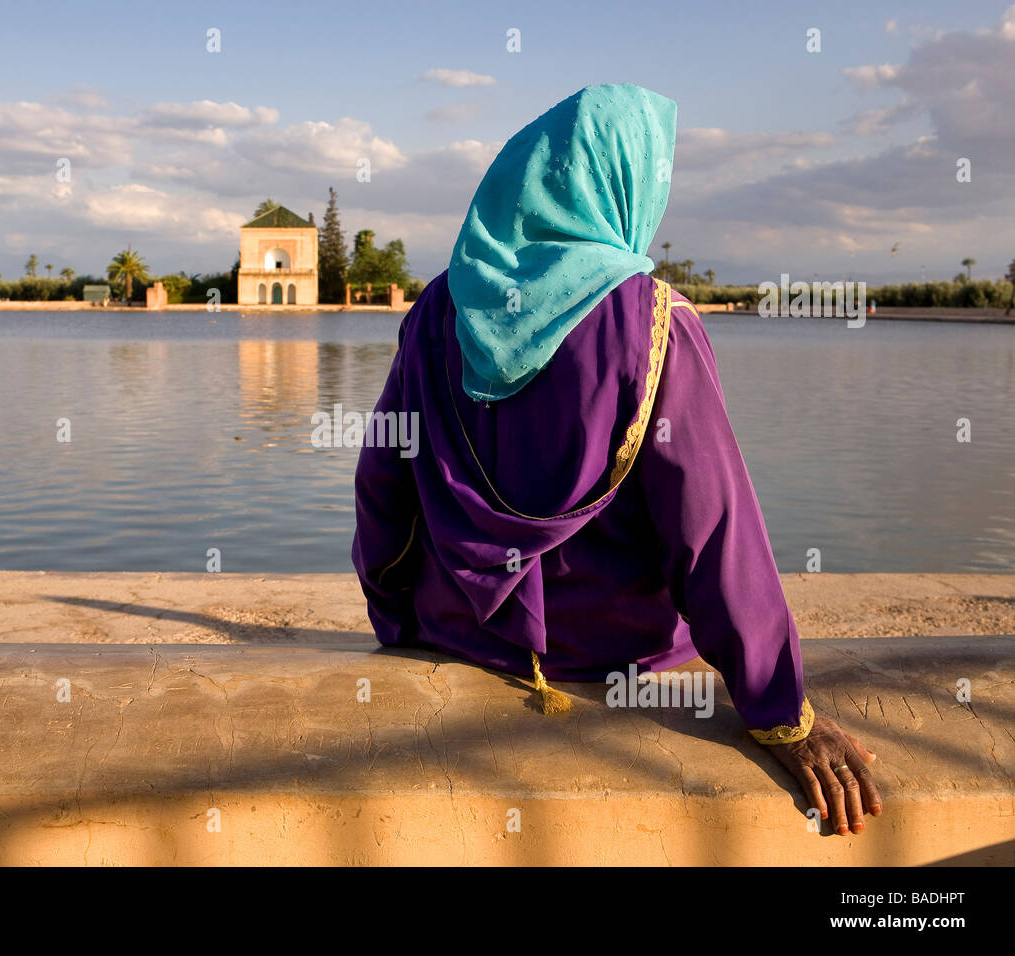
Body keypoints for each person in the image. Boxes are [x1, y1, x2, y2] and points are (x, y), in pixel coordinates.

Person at [351, 84, 882, 836]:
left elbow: (384, 481)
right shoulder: (652, 321)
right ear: (627, 184)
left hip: (460, 637)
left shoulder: (443, 308)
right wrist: (782, 712)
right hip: (617, 659)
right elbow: (711, 529)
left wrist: (397, 618)